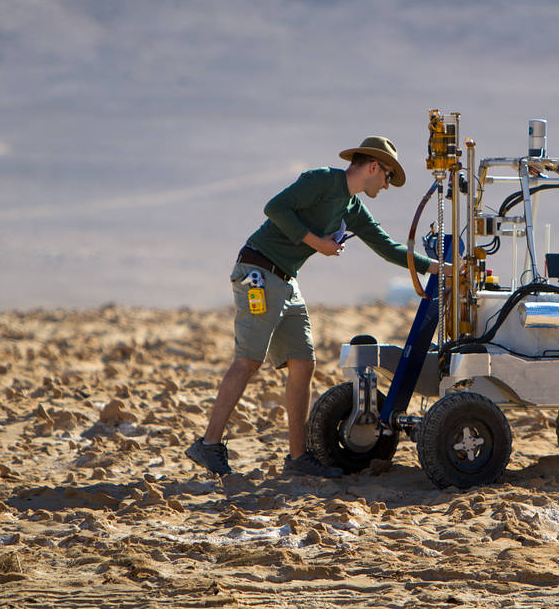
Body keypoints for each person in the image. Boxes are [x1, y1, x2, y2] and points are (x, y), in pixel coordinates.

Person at [185, 136, 443, 478]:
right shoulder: (321, 181)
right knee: (248, 360)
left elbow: (387, 247)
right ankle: (208, 444)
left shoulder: (352, 209)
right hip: (259, 271)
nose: (387, 185)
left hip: (286, 281)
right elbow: (274, 208)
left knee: (303, 363)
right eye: (387, 177)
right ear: (373, 167)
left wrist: (436, 268)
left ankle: (297, 459)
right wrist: (317, 243)